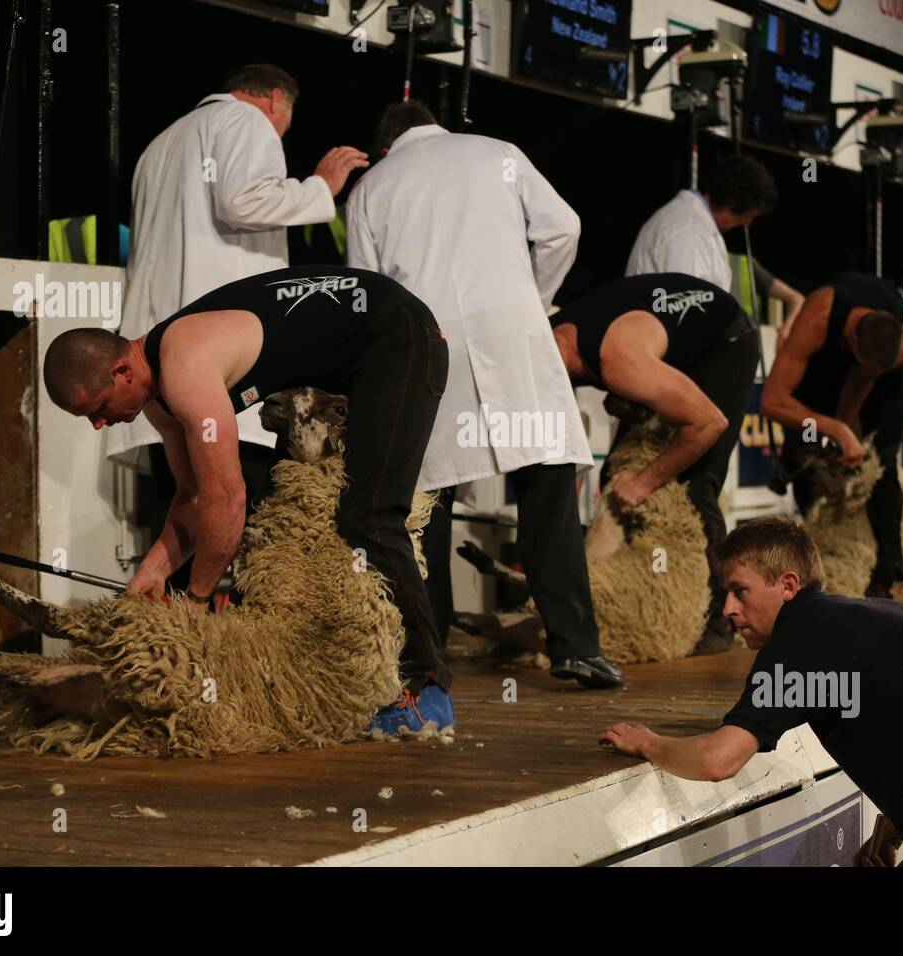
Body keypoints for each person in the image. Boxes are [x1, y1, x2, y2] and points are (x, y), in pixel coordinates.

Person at [43, 266, 452, 734]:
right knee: (303, 524)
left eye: (95, 408)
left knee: (372, 516)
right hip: (349, 351)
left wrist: (196, 602)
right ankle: (348, 679)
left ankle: (429, 690)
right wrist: (151, 573)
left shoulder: (184, 367)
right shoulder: (159, 398)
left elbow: (228, 498)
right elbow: (193, 497)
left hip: (397, 334)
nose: (98, 424)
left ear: (121, 370)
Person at [600, 516, 903, 867]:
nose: (727, 609)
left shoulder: (798, 644)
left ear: (787, 585)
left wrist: (648, 743)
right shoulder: (864, 617)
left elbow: (717, 761)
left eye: (740, 591)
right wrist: (896, 824)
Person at [346, 100, 623, 689]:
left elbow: (367, 293)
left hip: (428, 342)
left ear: (388, 146)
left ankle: (430, 655)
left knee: (427, 506)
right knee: (547, 489)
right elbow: (563, 227)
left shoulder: (371, 187)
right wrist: (529, 295)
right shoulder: (498, 152)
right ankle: (576, 647)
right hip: (514, 334)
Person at [105, 64, 368, 591]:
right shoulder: (247, 123)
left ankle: (175, 645)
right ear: (274, 100)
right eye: (285, 125)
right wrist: (322, 186)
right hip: (218, 356)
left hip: (156, 356)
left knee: (180, 501)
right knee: (242, 518)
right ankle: (228, 650)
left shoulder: (160, 142)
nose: (281, 135)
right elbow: (243, 200)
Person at [550, 274, 754, 652]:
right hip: (667, 347)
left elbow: (710, 424)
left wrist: (644, 483)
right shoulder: (552, 335)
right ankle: (620, 596)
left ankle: (721, 618)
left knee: (694, 484)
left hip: (725, 341)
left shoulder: (619, 362)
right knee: (615, 475)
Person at [761, 272, 903, 598]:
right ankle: (820, 555)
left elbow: (863, 378)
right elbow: (772, 401)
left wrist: (849, 429)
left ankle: (888, 575)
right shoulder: (818, 319)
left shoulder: (901, 347)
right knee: (808, 447)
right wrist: (835, 430)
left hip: (878, 371)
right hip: (825, 362)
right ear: (852, 343)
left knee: (881, 463)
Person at [626, 156, 803, 334]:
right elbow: (687, 315)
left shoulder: (693, 223)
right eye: (748, 215)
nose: (747, 224)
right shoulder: (689, 232)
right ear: (729, 205)